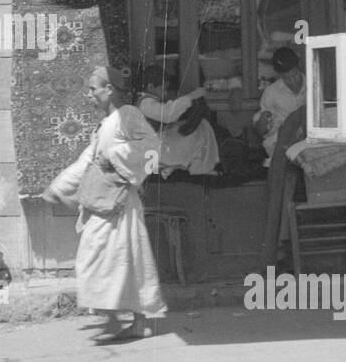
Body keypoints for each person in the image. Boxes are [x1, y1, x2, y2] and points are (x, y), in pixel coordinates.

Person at [41, 64, 166, 341]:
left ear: (109, 90)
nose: (89, 95)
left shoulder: (129, 115)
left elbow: (154, 150)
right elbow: (87, 161)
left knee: (129, 259)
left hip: (121, 201)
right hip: (103, 202)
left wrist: (115, 155)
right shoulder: (103, 127)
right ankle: (118, 315)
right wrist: (57, 187)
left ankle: (139, 321)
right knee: (97, 256)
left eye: (93, 89)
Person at [134, 64, 220, 177]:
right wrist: (191, 96)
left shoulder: (147, 100)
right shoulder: (145, 103)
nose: (165, 92)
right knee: (200, 130)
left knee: (200, 126)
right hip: (151, 149)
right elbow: (168, 114)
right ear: (150, 87)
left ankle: (184, 166)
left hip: (155, 143)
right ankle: (199, 167)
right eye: (162, 88)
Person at [254, 47, 306, 164]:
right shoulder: (271, 92)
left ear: (299, 66)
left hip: (306, 143)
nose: (293, 81)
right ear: (279, 75)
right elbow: (261, 131)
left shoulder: (313, 85)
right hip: (281, 146)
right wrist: (262, 122)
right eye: (287, 78)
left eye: (295, 75)